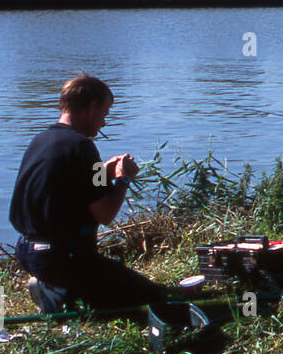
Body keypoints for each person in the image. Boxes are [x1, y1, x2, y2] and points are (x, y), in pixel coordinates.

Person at [10, 73, 168, 315]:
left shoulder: (41, 140)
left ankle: (54, 286)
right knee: (151, 297)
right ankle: (58, 292)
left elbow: (68, 182)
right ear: (92, 107)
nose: (104, 123)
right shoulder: (83, 146)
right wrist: (124, 179)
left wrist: (105, 171)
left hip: (28, 251)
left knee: (106, 290)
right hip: (63, 258)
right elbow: (105, 214)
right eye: (104, 114)